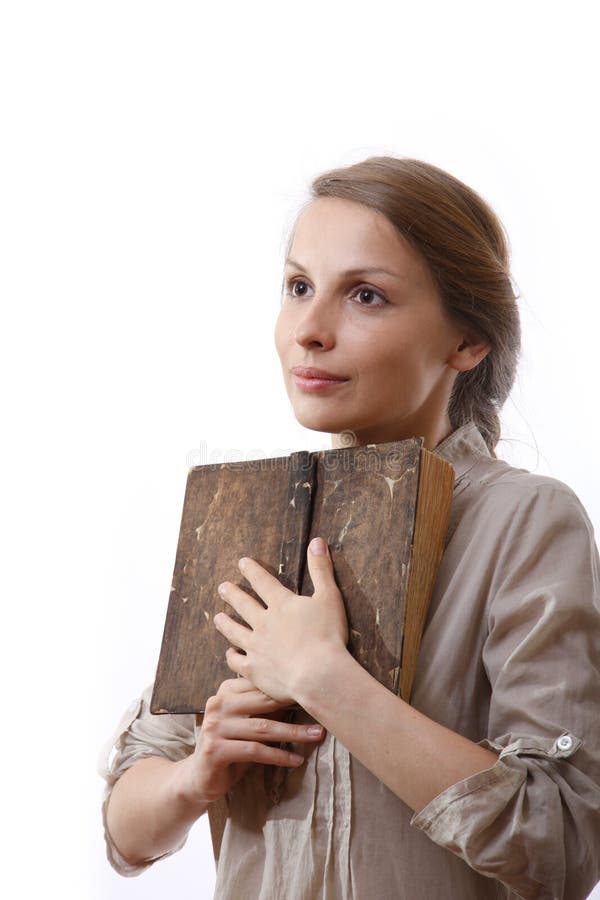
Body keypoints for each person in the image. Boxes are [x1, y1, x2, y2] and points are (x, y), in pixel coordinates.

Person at [99, 156, 600, 899]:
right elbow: (123, 831)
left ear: (466, 341)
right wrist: (197, 772)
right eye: (299, 287)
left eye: (366, 295)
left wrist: (325, 681)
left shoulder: (523, 521)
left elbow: (559, 844)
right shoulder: (256, 511)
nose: (310, 330)